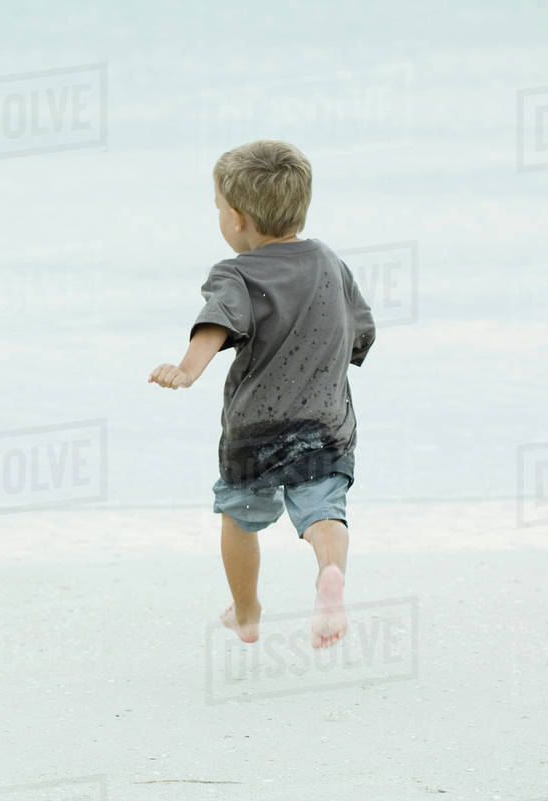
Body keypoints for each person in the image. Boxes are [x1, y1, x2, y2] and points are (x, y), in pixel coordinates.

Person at [148, 139, 375, 649]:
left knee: (239, 515)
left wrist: (187, 371)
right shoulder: (330, 263)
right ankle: (329, 570)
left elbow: (217, 323)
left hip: (255, 428)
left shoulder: (236, 273)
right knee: (324, 511)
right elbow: (359, 331)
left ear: (238, 219)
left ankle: (248, 612)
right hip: (324, 424)